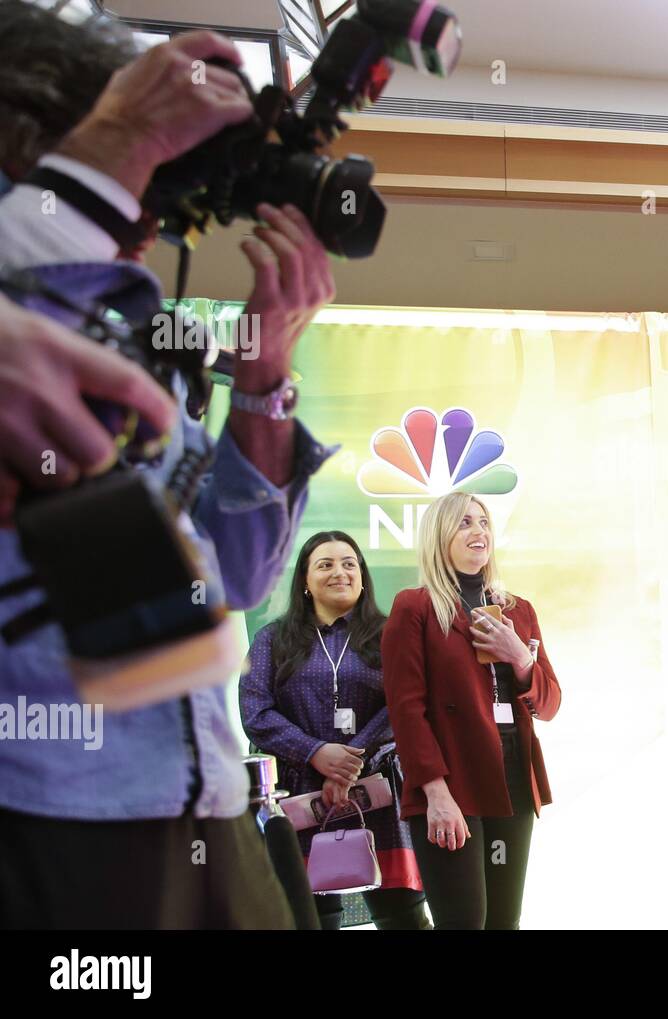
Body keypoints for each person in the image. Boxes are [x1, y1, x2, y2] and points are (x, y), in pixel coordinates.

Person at [0, 6, 336, 928]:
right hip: (48, 813)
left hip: (208, 799)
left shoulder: (128, 327)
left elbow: (236, 575)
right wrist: (117, 140)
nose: (150, 213)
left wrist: (265, 378)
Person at [382, 492, 561, 930]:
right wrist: (436, 795)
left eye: (483, 522)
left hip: (513, 777)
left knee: (504, 922)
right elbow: (407, 712)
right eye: (463, 523)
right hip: (451, 782)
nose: (478, 532)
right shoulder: (415, 607)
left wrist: (520, 657)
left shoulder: (519, 611)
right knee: (463, 922)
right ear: (438, 536)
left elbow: (550, 703)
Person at [240, 531, 430, 930]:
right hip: (301, 795)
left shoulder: (391, 633)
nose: (339, 572)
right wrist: (315, 752)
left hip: (379, 789)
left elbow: (406, 703)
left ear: (362, 575)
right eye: (325, 565)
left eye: (349, 563)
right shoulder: (272, 640)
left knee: (403, 915)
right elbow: (256, 712)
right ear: (305, 582)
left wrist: (350, 761)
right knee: (311, 917)